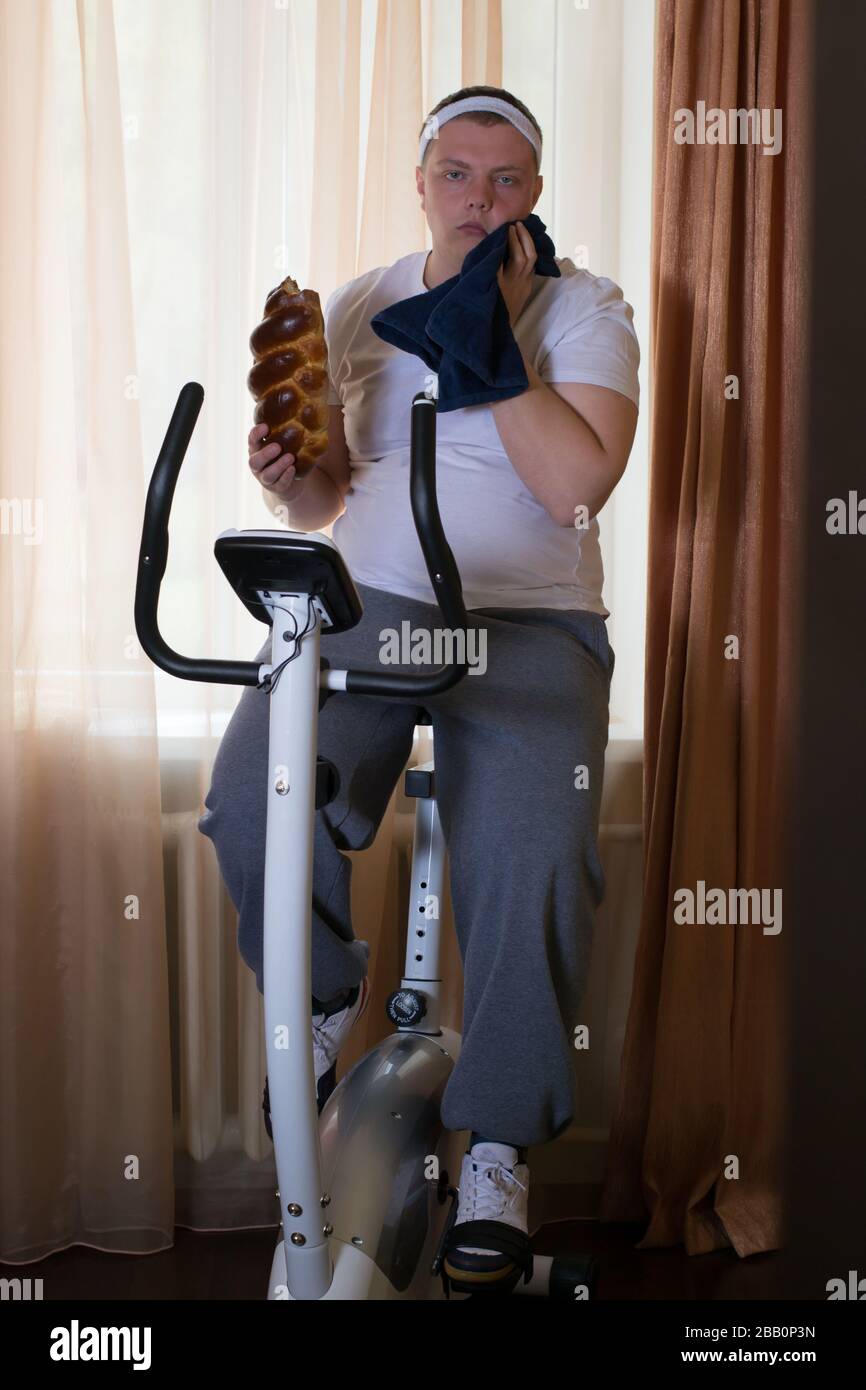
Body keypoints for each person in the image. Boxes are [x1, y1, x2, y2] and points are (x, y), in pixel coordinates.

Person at [199, 84, 640, 1290]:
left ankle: (496, 1144)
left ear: (532, 197)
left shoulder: (583, 307)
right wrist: (293, 471)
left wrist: (487, 338)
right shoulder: (360, 305)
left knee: (534, 850)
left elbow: (574, 487)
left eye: (504, 181)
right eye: (456, 174)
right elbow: (326, 499)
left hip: (530, 621)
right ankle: (327, 998)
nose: (477, 199)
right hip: (374, 608)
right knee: (252, 798)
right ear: (422, 182)